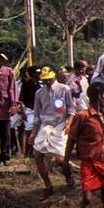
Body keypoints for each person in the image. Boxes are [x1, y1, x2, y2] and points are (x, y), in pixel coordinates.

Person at [30, 67, 75, 196]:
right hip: (45, 126)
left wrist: (68, 124)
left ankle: (68, 176)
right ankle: (48, 186)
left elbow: (71, 110)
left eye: (49, 80)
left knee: (60, 159)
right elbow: (37, 115)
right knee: (37, 155)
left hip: (60, 126)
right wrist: (33, 132)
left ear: (54, 77)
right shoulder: (39, 93)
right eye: (45, 80)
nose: (47, 82)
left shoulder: (64, 89)